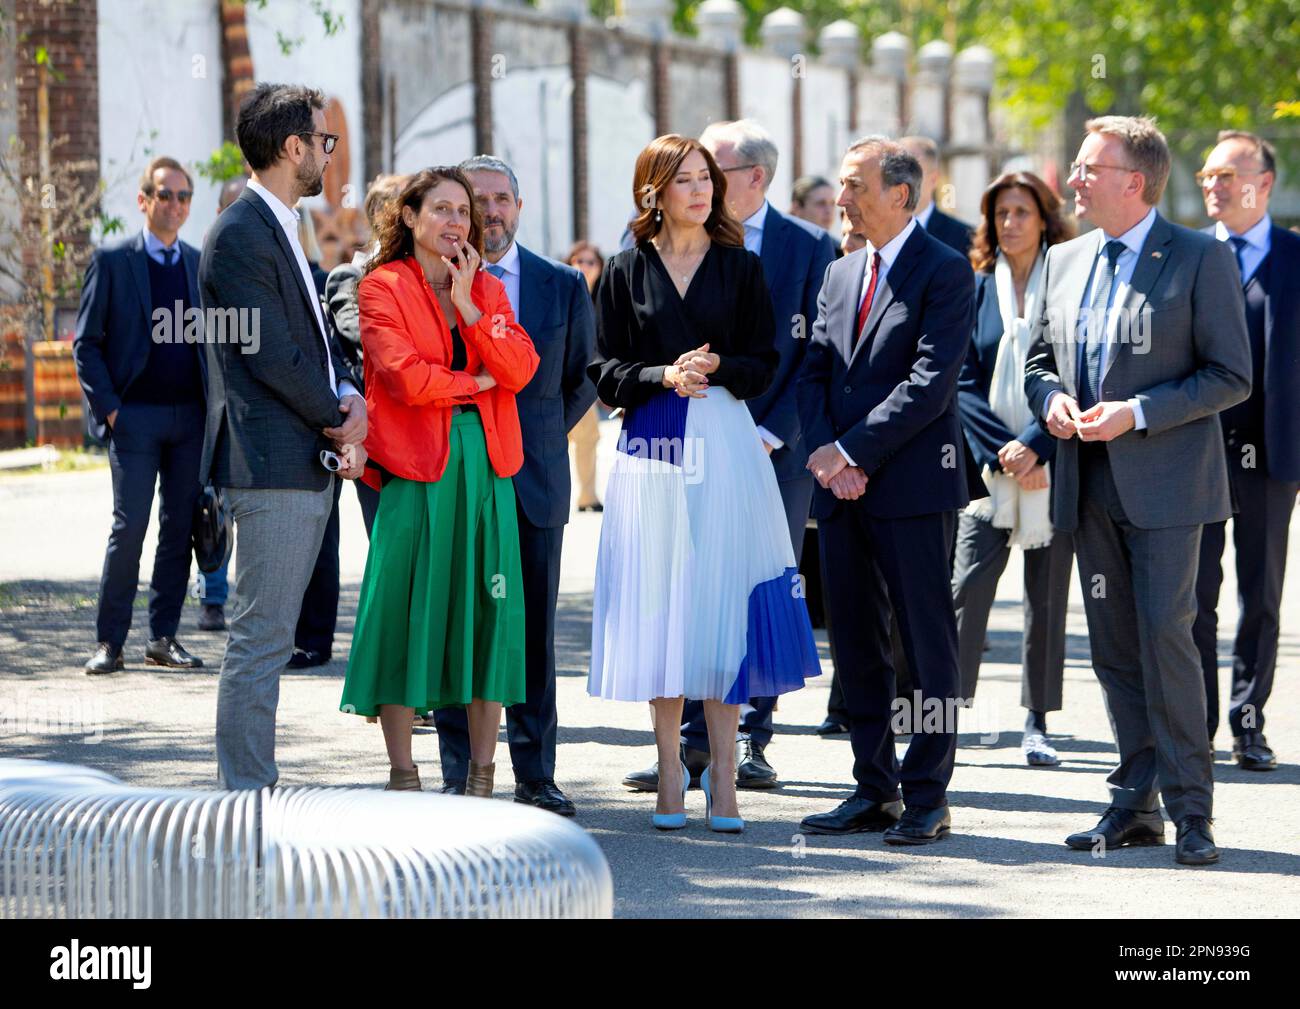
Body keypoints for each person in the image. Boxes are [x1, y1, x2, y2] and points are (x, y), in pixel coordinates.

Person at [1024, 116, 1251, 865]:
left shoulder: (1197, 258)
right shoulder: (1061, 260)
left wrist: (1138, 413)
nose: (1075, 179)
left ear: (1137, 181)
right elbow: (1038, 361)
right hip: (1086, 488)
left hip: (1168, 490)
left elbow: (1230, 375)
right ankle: (1135, 804)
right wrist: (1050, 399)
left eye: (1091, 167)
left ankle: (1193, 812)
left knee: (1165, 640)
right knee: (1115, 652)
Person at [589, 134, 820, 833]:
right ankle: (666, 768)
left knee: (720, 598)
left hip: (723, 441)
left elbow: (764, 363)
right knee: (661, 602)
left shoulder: (740, 267)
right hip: (652, 440)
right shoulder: (624, 270)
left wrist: (714, 367)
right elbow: (602, 371)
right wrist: (663, 374)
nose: (701, 190)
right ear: (652, 190)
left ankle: (723, 770)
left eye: (707, 179)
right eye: (685, 179)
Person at [796, 137, 975, 846]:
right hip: (842, 492)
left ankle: (928, 794)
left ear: (902, 193)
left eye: (854, 186)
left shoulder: (945, 270)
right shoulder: (840, 273)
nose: (842, 200)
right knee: (857, 642)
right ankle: (875, 787)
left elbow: (929, 384)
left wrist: (851, 449)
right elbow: (813, 371)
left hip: (912, 486)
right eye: (841, 186)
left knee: (925, 647)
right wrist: (825, 455)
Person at [339, 167, 539, 794]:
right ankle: (403, 773)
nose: (456, 222)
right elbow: (404, 378)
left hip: (486, 467)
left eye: (464, 212)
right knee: (400, 608)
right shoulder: (381, 288)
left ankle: (483, 774)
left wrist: (470, 309)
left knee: (489, 608)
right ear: (409, 217)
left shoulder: (485, 289)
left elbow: (522, 367)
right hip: (413, 467)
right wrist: (476, 384)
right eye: (443, 209)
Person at [202, 83, 369, 791]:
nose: (329, 156)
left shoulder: (280, 223)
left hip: (298, 457)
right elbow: (268, 353)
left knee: (269, 638)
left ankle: (253, 785)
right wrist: (338, 409)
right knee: (261, 639)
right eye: (323, 142)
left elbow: (313, 340)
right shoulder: (242, 231)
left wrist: (349, 392)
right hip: (270, 464)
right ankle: (245, 796)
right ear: (292, 147)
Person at [430, 155, 596, 814]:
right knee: (453, 628)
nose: (490, 212)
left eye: (502, 199)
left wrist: (544, 436)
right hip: (452, 480)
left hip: (534, 482)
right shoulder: (426, 282)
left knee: (529, 634)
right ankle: (456, 773)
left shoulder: (561, 284)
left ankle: (535, 773)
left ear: (519, 207)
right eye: (477, 201)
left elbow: (583, 374)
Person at [952, 171, 1076, 766]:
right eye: (1001, 212)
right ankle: (944, 718)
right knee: (968, 586)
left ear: (1045, 218)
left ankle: (1038, 721)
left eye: (1022, 211)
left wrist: (1036, 446)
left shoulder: (1071, 284)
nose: (1010, 223)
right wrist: (1003, 451)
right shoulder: (975, 288)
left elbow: (1076, 375)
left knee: (1045, 598)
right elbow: (962, 380)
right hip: (989, 468)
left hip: (1054, 459)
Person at [74, 156, 209, 675]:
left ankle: (163, 638)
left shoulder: (199, 264)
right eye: (165, 194)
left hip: (189, 421)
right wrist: (111, 411)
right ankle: (110, 642)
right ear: (143, 201)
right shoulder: (112, 263)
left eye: (182, 196)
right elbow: (86, 344)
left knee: (179, 531)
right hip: (134, 419)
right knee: (129, 528)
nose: (174, 205)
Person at [1193, 130, 1299, 770]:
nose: (1213, 185)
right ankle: (1196, 722)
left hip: (1273, 454)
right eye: (1207, 175)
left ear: (1263, 181)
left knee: (1260, 593)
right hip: (1196, 451)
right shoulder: (1188, 256)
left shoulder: (1293, 257)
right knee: (1194, 593)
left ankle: (1248, 724)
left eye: (1226, 175)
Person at [323, 172, 407, 540]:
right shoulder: (349, 276)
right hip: (375, 437)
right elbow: (363, 335)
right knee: (389, 545)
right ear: (387, 217)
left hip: (423, 433)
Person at [197, 173, 249, 635]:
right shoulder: (207, 264)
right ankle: (212, 599)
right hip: (208, 415)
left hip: (249, 416)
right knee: (211, 514)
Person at [565, 240, 605, 513]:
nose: (585, 267)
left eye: (591, 262)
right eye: (579, 261)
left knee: (588, 438)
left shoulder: (605, 300)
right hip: (558, 382)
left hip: (586, 384)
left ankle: (587, 496)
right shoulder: (561, 294)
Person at [898, 135, 973, 254]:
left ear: (934, 179)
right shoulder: (873, 233)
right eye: (896, 171)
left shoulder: (966, 237)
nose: (902, 180)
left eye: (912, 171)